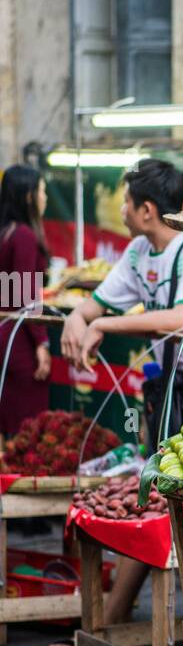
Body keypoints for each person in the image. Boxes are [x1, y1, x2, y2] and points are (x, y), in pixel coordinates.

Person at [37, 159, 183, 646]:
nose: (123, 211)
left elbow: (180, 317)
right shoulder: (139, 252)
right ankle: (107, 629)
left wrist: (106, 327)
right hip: (174, 389)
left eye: (127, 203)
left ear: (147, 209)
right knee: (158, 493)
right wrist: (77, 317)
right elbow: (97, 302)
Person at [0, 164, 51, 442]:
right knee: (26, 428)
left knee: (8, 418)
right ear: (29, 196)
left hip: (5, 330)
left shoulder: (6, 232)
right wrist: (42, 342)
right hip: (18, 339)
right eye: (42, 191)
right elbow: (25, 294)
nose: (45, 198)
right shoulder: (23, 236)